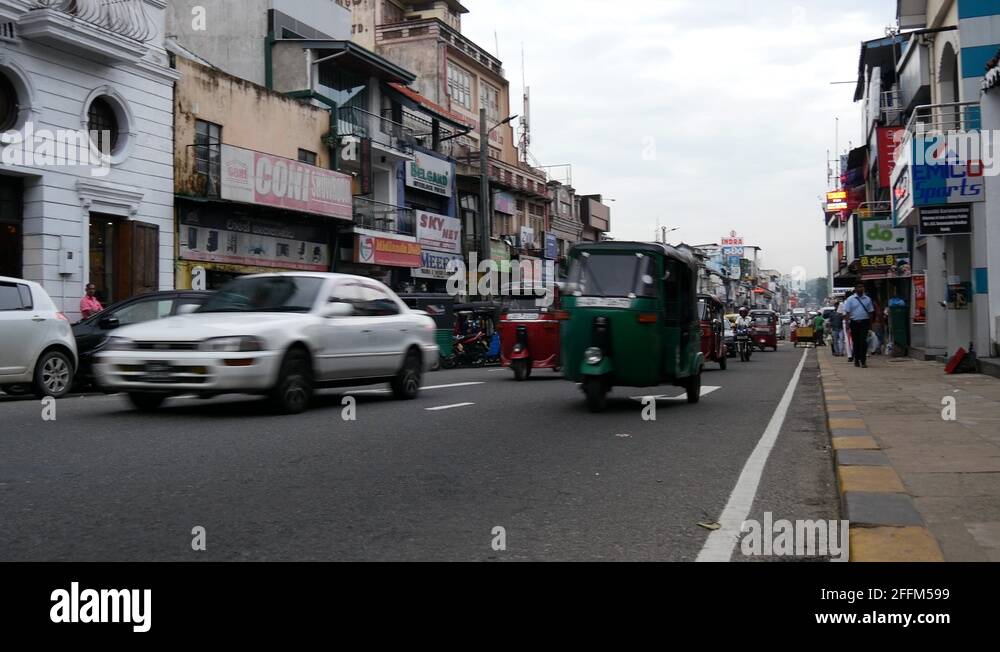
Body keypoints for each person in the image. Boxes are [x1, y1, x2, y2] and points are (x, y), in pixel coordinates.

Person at [843, 283, 875, 368]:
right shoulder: (850, 299)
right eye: (859, 287)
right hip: (854, 323)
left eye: (862, 287)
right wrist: (847, 324)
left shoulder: (867, 299)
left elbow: (871, 312)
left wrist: (870, 325)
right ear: (856, 289)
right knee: (856, 342)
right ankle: (856, 360)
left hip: (864, 323)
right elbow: (847, 313)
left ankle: (863, 361)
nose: (860, 288)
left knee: (863, 342)